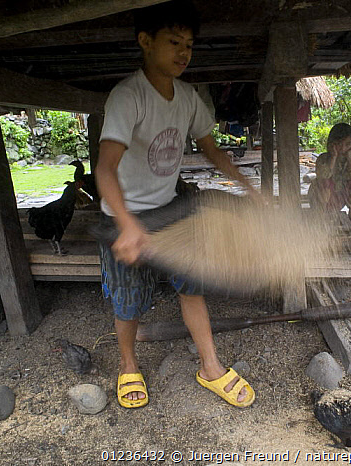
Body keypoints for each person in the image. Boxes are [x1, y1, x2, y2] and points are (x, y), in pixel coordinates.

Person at [95, 0, 260, 409]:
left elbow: (211, 149)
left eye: (188, 44)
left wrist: (247, 184)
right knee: (129, 301)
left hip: (170, 209)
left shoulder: (187, 97)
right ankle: (128, 363)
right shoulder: (127, 96)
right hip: (124, 216)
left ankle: (210, 367)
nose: (184, 53)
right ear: (145, 42)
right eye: (173, 42)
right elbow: (104, 169)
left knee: (192, 287)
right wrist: (129, 225)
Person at [309, 123, 351, 225]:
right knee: (325, 182)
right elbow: (324, 175)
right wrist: (333, 157)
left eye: (347, 144)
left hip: (339, 199)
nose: (343, 148)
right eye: (339, 144)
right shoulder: (323, 158)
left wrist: (349, 158)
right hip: (321, 199)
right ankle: (320, 215)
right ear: (331, 144)